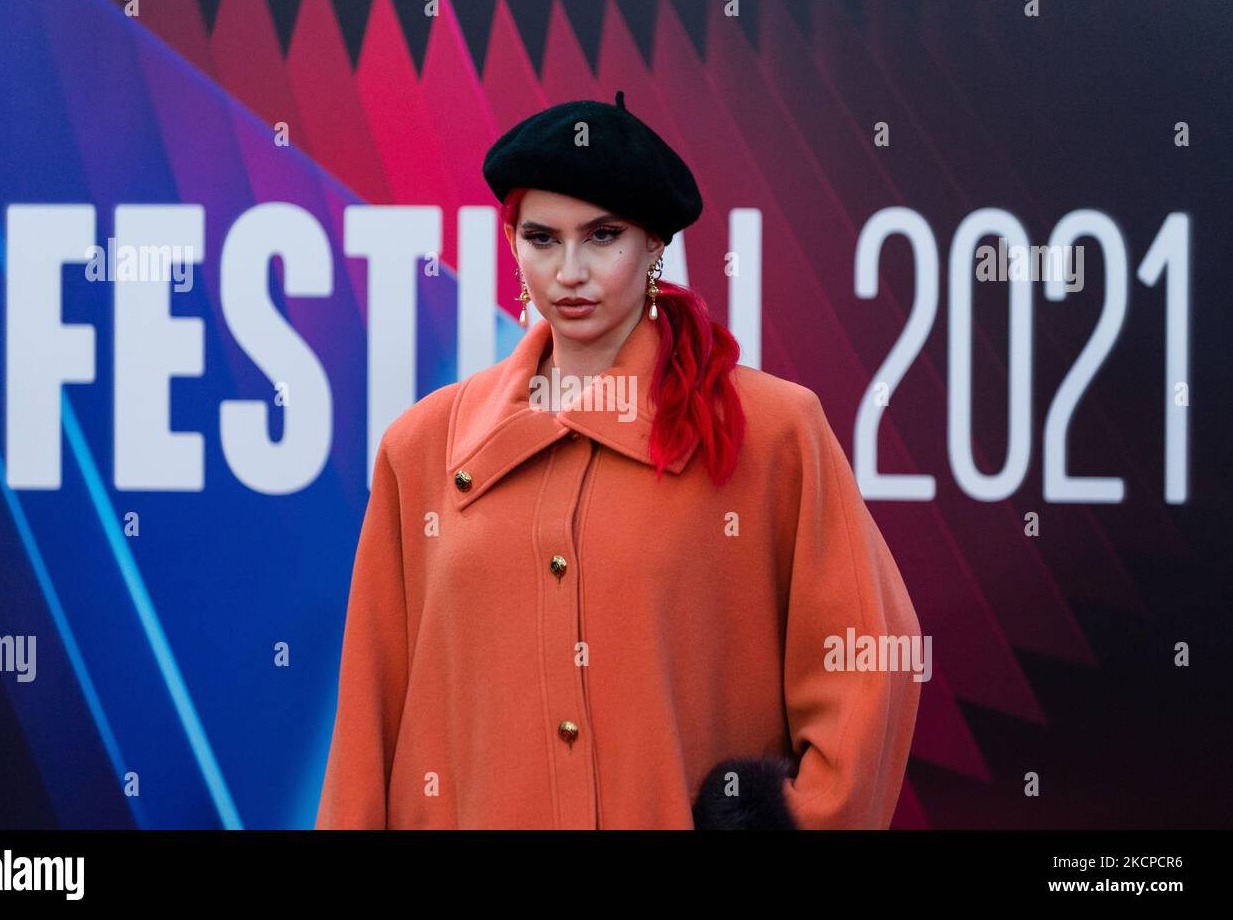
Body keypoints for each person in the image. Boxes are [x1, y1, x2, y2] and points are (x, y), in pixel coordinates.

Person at [315, 91, 922, 829]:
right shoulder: (421, 448)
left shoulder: (771, 431)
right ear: (512, 245)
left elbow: (869, 659)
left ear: (654, 245)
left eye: (602, 235)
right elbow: (367, 726)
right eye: (543, 237)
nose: (570, 270)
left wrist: (789, 819)